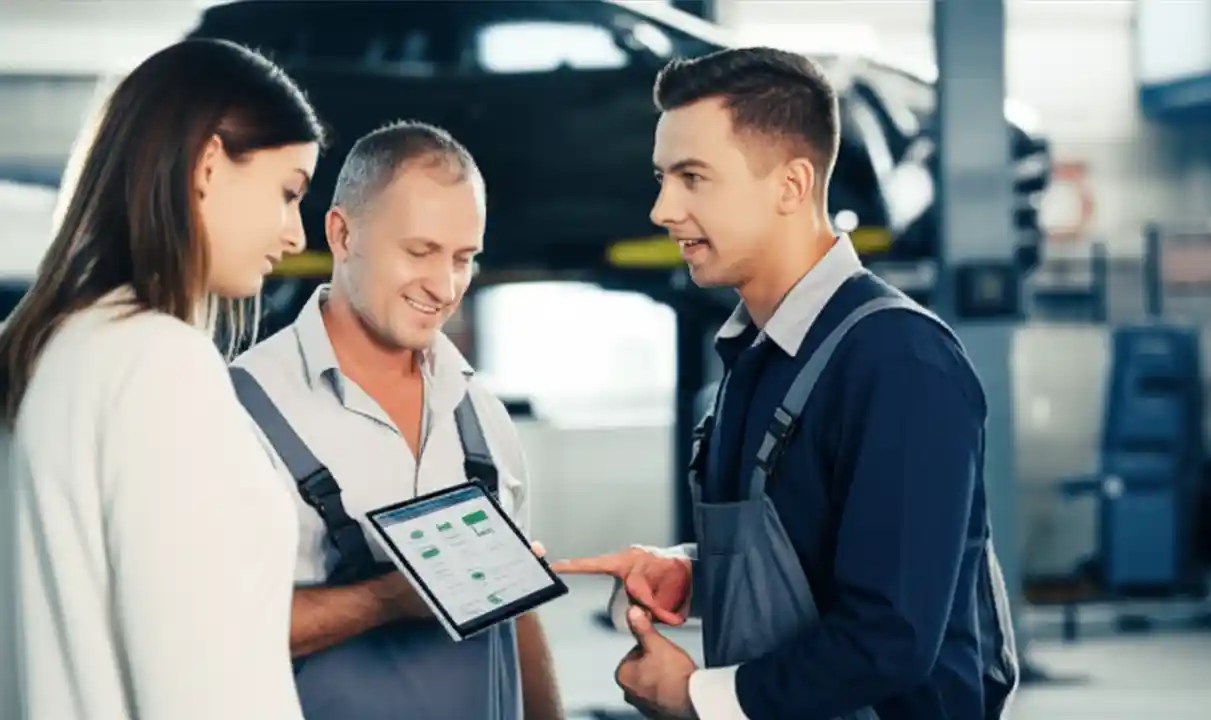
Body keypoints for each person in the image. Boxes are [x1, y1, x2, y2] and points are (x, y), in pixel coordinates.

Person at [553, 47, 1019, 720]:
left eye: (692, 177)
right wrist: (697, 571)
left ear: (791, 186)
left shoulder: (899, 362)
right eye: (662, 177)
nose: (661, 207)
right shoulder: (758, 355)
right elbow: (817, 555)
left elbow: (889, 636)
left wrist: (696, 698)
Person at [0, 39, 325, 719]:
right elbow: (198, 683)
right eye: (288, 191)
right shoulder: (159, 364)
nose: (296, 233)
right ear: (209, 163)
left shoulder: (45, 352)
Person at [229, 120, 563, 720]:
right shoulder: (244, 411)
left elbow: (519, 615)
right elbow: (217, 629)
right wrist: (389, 598)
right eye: (420, 252)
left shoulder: (478, 412)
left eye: (465, 258)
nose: (444, 285)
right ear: (342, 233)